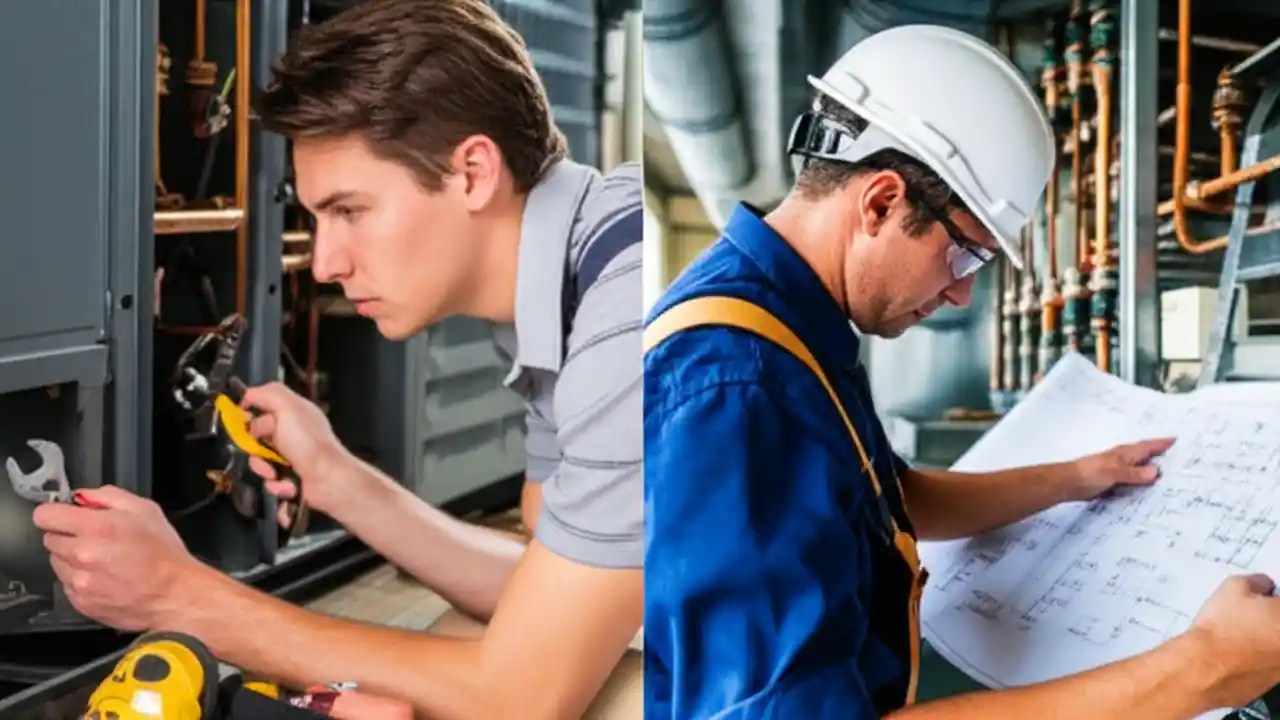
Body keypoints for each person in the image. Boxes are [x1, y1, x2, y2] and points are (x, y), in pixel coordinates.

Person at [643, 24, 1280, 719]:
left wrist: (1076, 478)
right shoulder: (740, 388)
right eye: (967, 256)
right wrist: (1204, 668)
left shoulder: (788, 322)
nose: (961, 294)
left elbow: (887, 497)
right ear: (880, 201)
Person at [34, 2, 643, 718]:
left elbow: (522, 693)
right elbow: (556, 590)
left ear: (473, 171)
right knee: (458, 649)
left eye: (349, 211)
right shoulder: (570, 279)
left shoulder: (627, 315)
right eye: (315, 219)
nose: (323, 262)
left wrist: (181, 596)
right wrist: (339, 481)